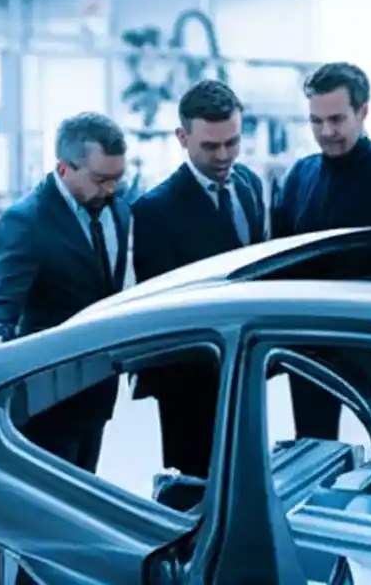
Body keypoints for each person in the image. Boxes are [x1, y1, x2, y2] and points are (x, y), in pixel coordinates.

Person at [0, 112, 130, 585]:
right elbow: (1, 302)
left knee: (75, 527)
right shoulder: (27, 222)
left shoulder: (118, 208)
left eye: (117, 178)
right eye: (101, 178)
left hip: (97, 392)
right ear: (64, 168)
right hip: (46, 404)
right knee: (33, 531)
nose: (111, 189)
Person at [271, 62, 371, 465]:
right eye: (316, 121)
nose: (327, 131)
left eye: (337, 119)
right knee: (312, 456)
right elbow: (280, 262)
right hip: (309, 345)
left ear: (363, 112)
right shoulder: (300, 175)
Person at [131, 80, 268, 487]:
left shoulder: (249, 186)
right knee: (197, 490)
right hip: (190, 382)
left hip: (245, 367)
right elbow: (167, 316)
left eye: (232, 142)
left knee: (244, 481)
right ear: (182, 137)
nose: (224, 155)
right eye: (210, 146)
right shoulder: (155, 211)